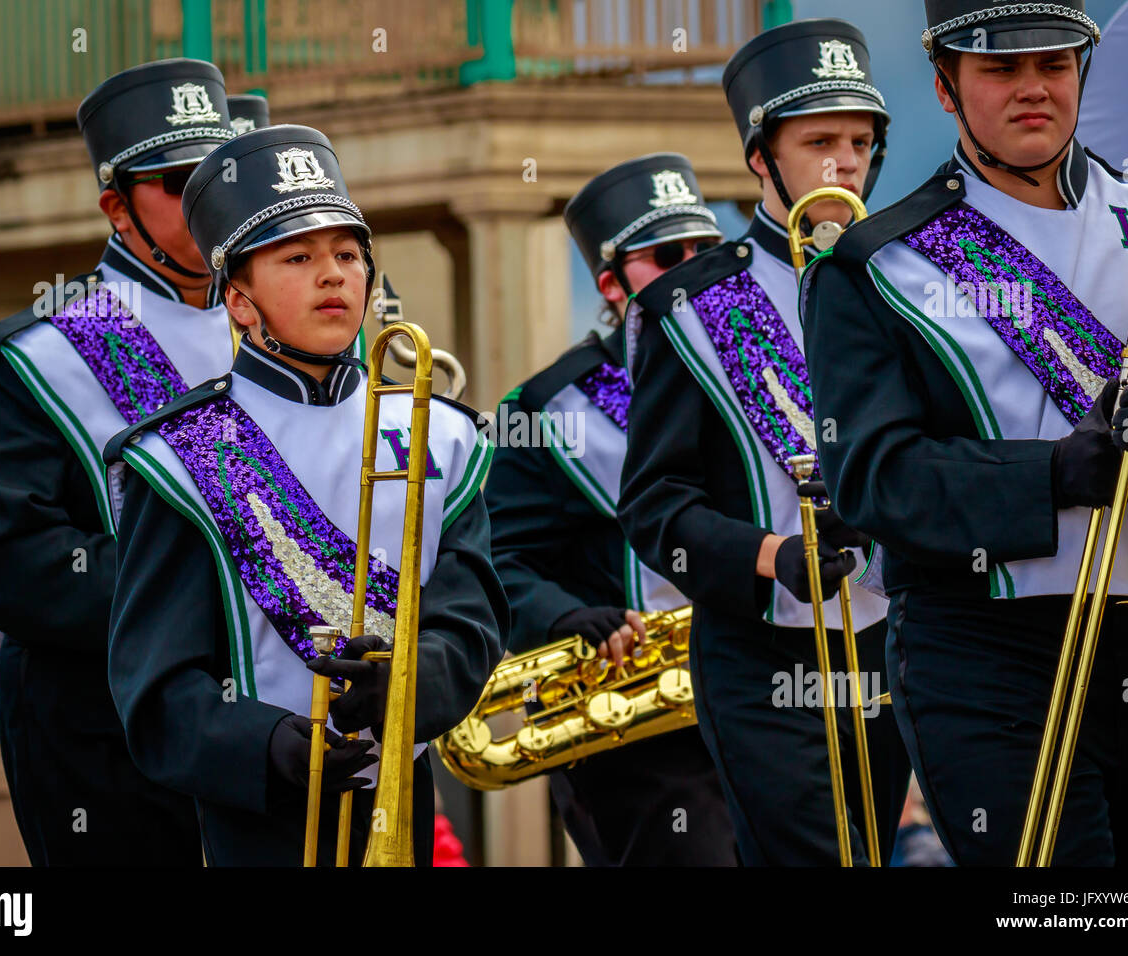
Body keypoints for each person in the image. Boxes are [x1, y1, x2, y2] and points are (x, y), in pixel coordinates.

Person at [801, 0, 1128, 865]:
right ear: (944, 84)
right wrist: (1053, 474)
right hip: (985, 656)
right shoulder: (875, 267)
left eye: (1053, 65)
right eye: (1000, 70)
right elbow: (871, 477)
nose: (1033, 90)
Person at [103, 124, 509, 866]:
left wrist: (403, 687)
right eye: (297, 258)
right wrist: (264, 744)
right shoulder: (180, 456)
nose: (333, 275)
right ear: (240, 301)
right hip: (260, 818)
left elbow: (473, 620)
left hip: (402, 797)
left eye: (348, 255)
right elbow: (156, 688)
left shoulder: (441, 435)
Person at [617, 19, 910, 865]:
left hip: (893, 636)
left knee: (873, 851)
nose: (845, 161)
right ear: (761, 159)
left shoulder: (908, 282)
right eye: (819, 140)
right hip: (761, 653)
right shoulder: (687, 307)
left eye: (860, 140)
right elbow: (655, 507)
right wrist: (770, 554)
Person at [0, 58, 237, 866]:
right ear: (117, 207)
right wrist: (210, 589)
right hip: (107, 738)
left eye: (218, 177)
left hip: (272, 728)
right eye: (180, 183)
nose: (208, 204)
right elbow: (3, 557)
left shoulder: (284, 333)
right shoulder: (47, 353)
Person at [484, 154, 738, 866]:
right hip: (637, 718)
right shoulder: (547, 408)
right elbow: (499, 561)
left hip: (762, 688)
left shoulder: (764, 372)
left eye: (705, 250)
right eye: (666, 256)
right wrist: (562, 617)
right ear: (610, 282)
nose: (692, 270)